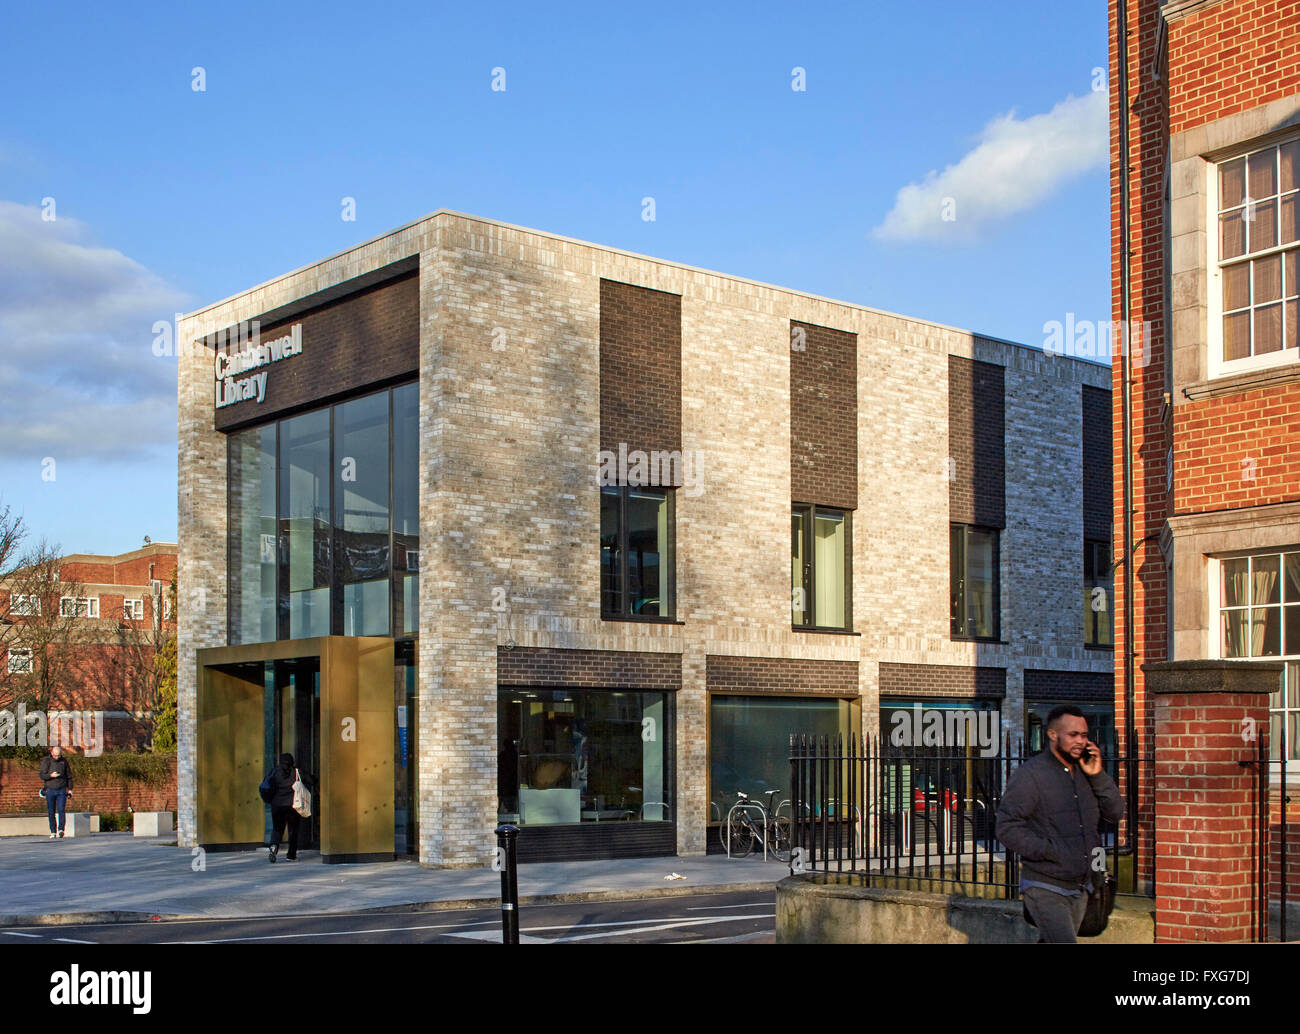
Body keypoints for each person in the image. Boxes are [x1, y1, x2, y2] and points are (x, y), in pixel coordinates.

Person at [996, 704, 1124, 943]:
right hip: (1045, 885)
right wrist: (1050, 850)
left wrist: (1098, 776)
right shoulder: (1030, 775)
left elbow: (1115, 813)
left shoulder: (1088, 772)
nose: (1081, 742)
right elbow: (1007, 827)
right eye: (1073, 735)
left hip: (1082, 885)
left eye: (1084, 735)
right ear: (1053, 735)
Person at [264, 752, 315, 862]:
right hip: (293, 805)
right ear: (292, 762)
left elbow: (266, 784)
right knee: (293, 830)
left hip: (277, 805)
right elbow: (311, 780)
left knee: (277, 828)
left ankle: (273, 847)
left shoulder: (274, 772)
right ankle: (291, 855)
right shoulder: (297, 772)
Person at [39, 745, 73, 839]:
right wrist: (51, 775)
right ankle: (53, 831)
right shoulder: (47, 761)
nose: (57, 758)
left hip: (61, 789)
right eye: (55, 756)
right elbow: (42, 775)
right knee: (51, 811)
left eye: (58, 756)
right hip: (50, 789)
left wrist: (70, 789)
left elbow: (69, 776)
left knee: (61, 810)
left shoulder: (64, 761)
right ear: (52, 753)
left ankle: (61, 829)